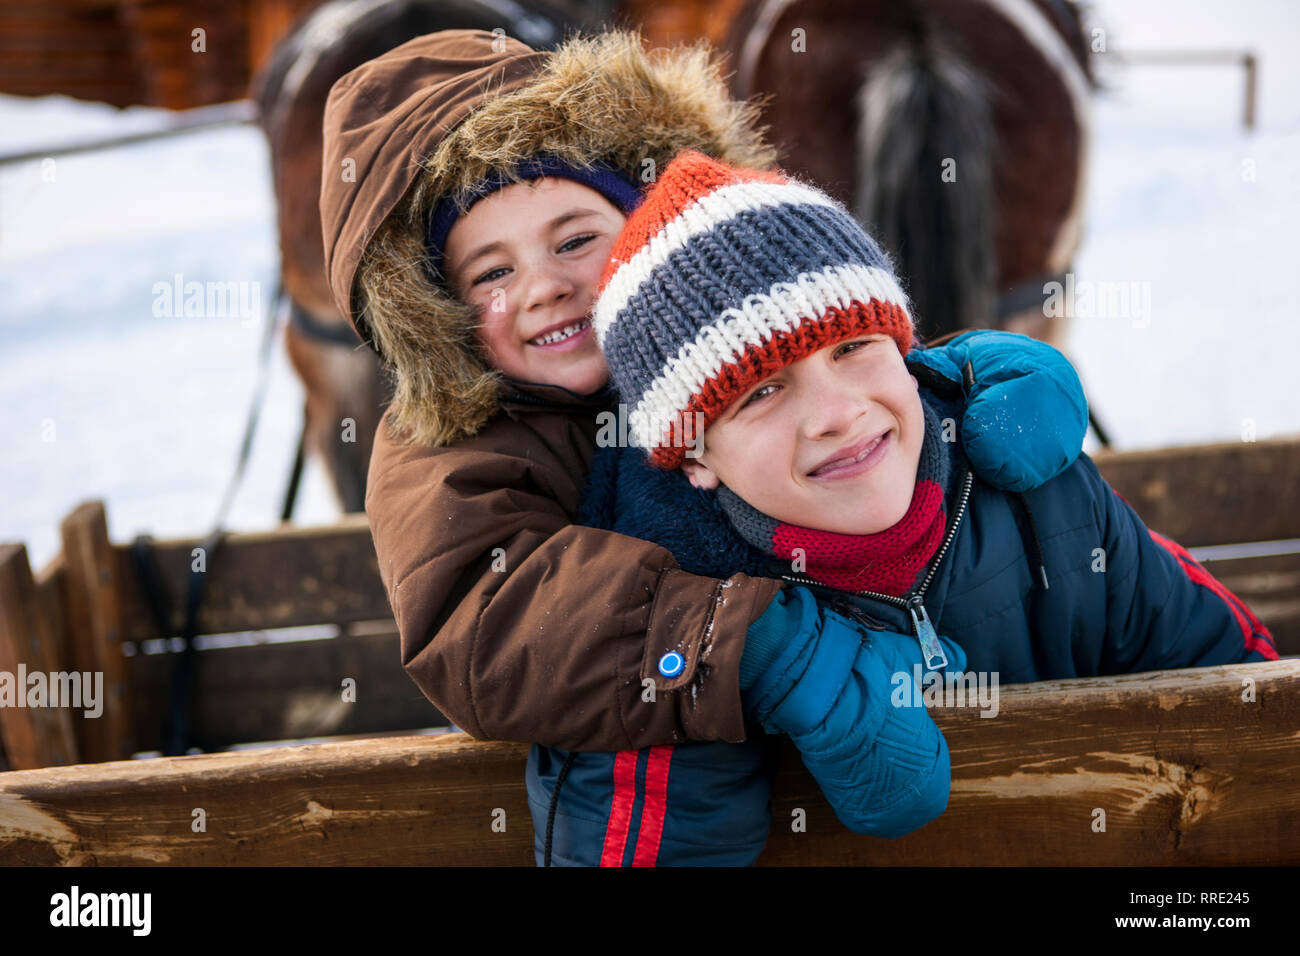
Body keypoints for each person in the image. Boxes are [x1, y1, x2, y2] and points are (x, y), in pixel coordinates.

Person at [320, 29, 1093, 762]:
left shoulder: (712, 332)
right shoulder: (447, 448)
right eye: (491, 273)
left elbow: (845, 357)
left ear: (642, 223)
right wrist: (746, 642)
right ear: (432, 311)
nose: (545, 289)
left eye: (575, 240)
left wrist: (971, 381)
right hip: (677, 770)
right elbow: (485, 625)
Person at [528, 150, 1278, 866]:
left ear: (906, 348)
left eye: (852, 347)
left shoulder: (1044, 502)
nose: (837, 412)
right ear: (695, 459)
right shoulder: (687, 634)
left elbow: (1246, 702)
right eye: (760, 392)